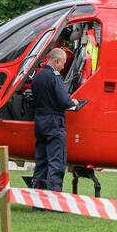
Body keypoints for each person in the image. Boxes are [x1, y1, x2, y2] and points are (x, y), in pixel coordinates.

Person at [30, 48, 78, 193]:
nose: (63, 66)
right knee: (56, 162)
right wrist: (73, 102)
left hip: (39, 122)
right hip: (54, 122)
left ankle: (37, 199)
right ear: (57, 61)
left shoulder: (37, 77)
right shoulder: (55, 77)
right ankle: (54, 200)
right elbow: (65, 101)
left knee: (41, 162)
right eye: (63, 63)